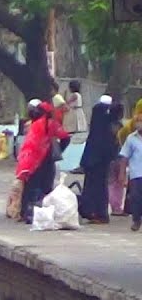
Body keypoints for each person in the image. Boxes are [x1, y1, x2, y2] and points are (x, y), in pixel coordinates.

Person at [16, 100, 71, 223]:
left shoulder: (34, 125)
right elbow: (66, 138)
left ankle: (27, 213)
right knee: (45, 186)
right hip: (46, 159)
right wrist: (59, 149)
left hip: (32, 159)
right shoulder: (52, 124)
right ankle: (41, 212)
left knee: (31, 185)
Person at [77, 95, 119, 224]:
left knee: (94, 186)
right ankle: (96, 212)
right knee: (98, 186)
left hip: (95, 158)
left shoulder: (99, 117)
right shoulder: (110, 121)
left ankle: (95, 212)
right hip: (101, 159)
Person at [120, 111, 142, 230]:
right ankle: (136, 221)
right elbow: (124, 157)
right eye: (137, 122)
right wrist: (122, 174)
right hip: (136, 174)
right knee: (136, 198)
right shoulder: (131, 138)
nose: (139, 124)